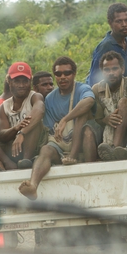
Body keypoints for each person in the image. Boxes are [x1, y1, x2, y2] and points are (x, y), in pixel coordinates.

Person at [19, 57, 95, 200]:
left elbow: (89, 101)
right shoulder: (50, 99)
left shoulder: (82, 88)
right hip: (61, 142)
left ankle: (72, 156)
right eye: (58, 74)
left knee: (82, 116)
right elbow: (50, 129)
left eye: (67, 73)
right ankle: (33, 185)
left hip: (82, 141)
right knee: (46, 150)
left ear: (74, 74)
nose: (63, 77)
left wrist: (66, 119)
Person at [84, 38, 127, 162]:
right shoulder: (97, 89)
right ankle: (90, 167)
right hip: (107, 131)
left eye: (115, 69)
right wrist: (106, 119)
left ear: (122, 70)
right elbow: (97, 119)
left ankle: (115, 148)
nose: (111, 73)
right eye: (107, 70)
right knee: (87, 129)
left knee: (123, 102)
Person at [0, 62, 47, 169]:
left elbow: (40, 110)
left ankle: (26, 161)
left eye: (25, 81)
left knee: (33, 122)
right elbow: (2, 135)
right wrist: (16, 128)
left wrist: (22, 133)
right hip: (14, 150)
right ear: (9, 82)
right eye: (17, 81)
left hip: (35, 147)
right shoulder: (4, 106)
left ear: (30, 82)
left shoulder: (35, 97)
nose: (21, 85)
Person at [86, 3, 127, 86]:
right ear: (110, 23)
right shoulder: (106, 46)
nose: (124, 24)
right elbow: (94, 79)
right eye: (119, 21)